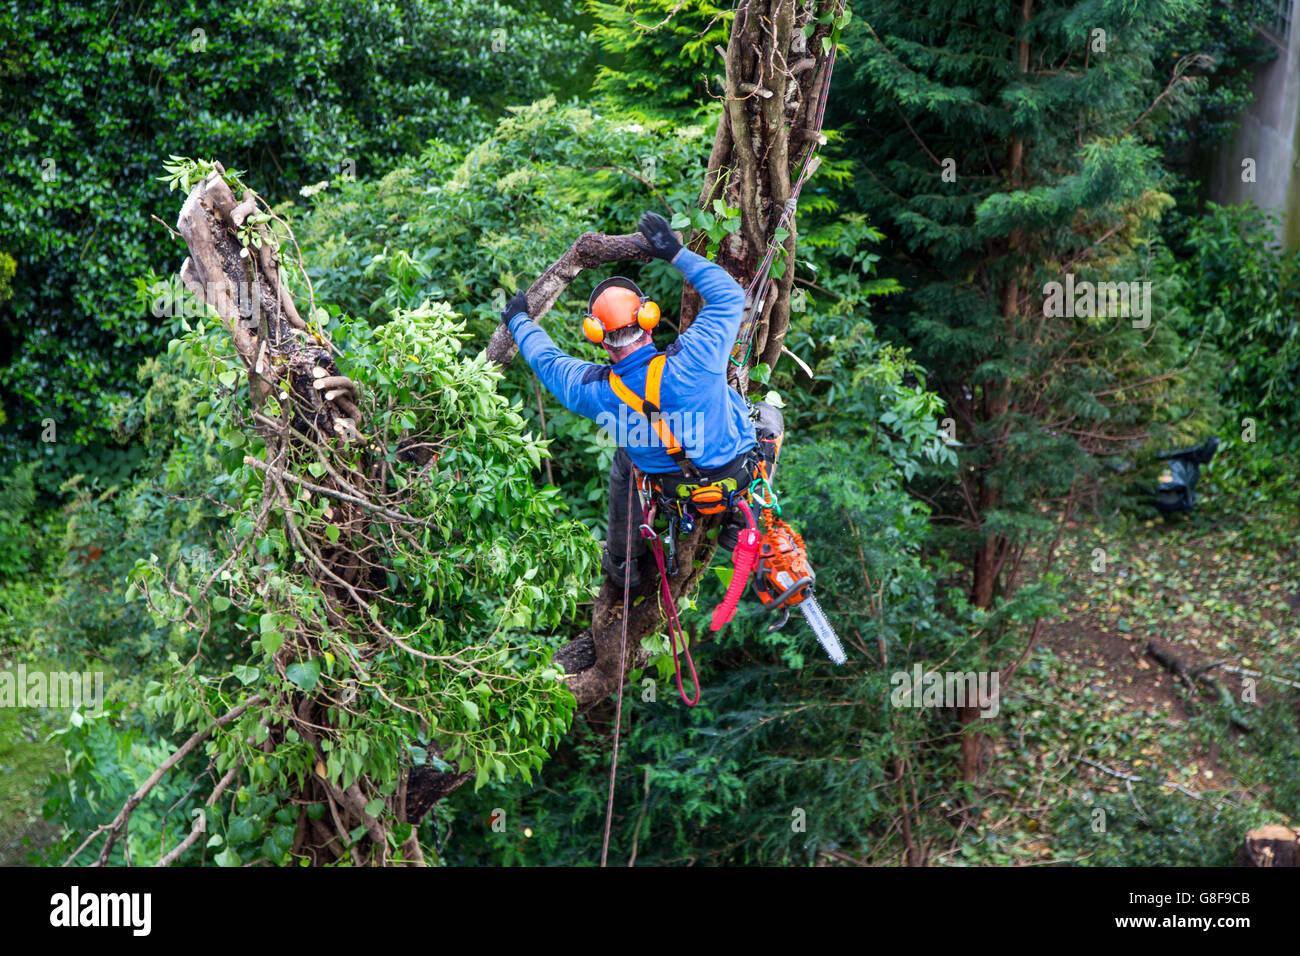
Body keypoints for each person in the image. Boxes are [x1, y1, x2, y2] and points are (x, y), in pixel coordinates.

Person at [503, 211, 783, 587]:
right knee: (768, 415)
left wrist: (519, 320)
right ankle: (735, 525)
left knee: (624, 458)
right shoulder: (697, 356)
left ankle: (622, 561)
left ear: (598, 337)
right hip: (736, 475)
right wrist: (675, 253)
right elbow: (729, 296)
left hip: (674, 492)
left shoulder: (595, 393)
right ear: (649, 318)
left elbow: (550, 364)